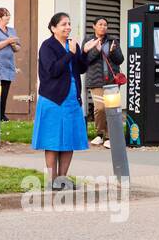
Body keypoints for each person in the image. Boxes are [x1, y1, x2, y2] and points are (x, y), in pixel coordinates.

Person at [31, 12, 89, 190]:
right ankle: (51, 179)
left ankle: (62, 179)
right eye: (64, 24)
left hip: (72, 99)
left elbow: (80, 69)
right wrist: (70, 54)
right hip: (53, 99)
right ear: (53, 28)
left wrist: (84, 52)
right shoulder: (47, 46)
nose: (68, 27)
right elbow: (53, 70)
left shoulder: (72, 44)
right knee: (53, 140)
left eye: (69, 24)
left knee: (68, 140)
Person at [83, 17, 124, 149]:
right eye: (100, 24)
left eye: (105, 25)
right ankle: (100, 133)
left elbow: (120, 60)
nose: (103, 27)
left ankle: (108, 137)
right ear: (93, 26)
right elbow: (86, 60)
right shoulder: (88, 41)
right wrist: (97, 49)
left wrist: (112, 52)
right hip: (96, 81)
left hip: (111, 81)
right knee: (100, 108)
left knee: (110, 108)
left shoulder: (113, 41)